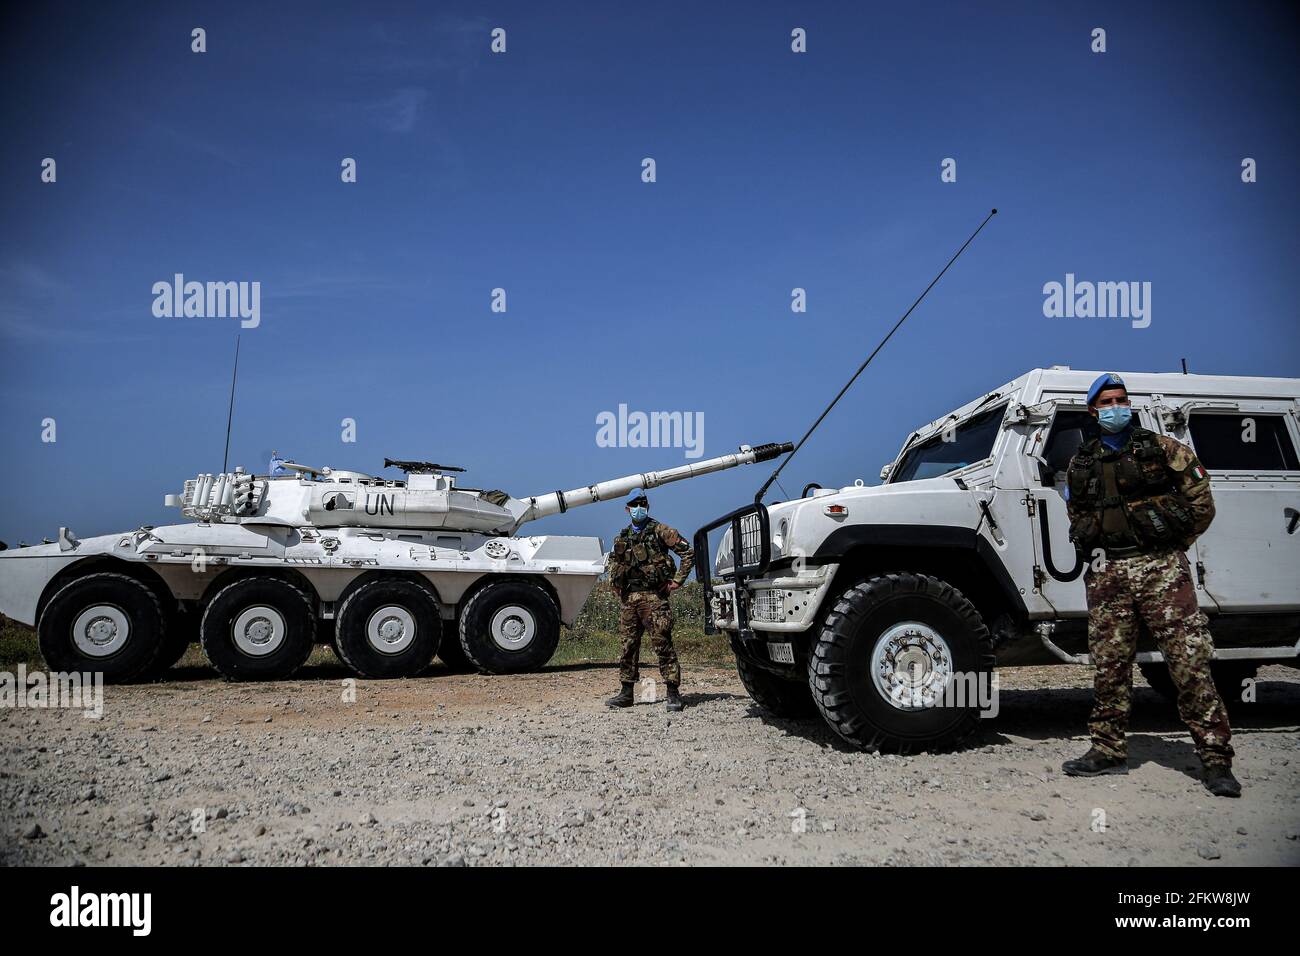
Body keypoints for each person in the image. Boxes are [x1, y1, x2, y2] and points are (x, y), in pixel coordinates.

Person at [1062, 372, 1239, 796]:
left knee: (1188, 662)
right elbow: (1078, 514)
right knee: (1109, 666)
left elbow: (1201, 500)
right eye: (1106, 402)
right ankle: (1108, 749)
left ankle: (1215, 759)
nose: (1115, 407)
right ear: (1093, 410)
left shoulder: (1163, 449)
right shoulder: (1081, 462)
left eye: (1120, 399)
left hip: (1161, 569)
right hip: (1108, 574)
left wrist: (1174, 543)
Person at [604, 488, 694, 712]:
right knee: (628, 646)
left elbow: (687, 553)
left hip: (654, 598)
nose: (639, 508)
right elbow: (614, 563)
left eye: (642, 503)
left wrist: (677, 581)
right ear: (627, 508)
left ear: (647, 506)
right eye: (634, 504)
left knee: (662, 644)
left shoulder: (661, 530)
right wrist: (614, 583)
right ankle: (626, 693)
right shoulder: (623, 537)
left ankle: (673, 693)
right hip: (629, 599)